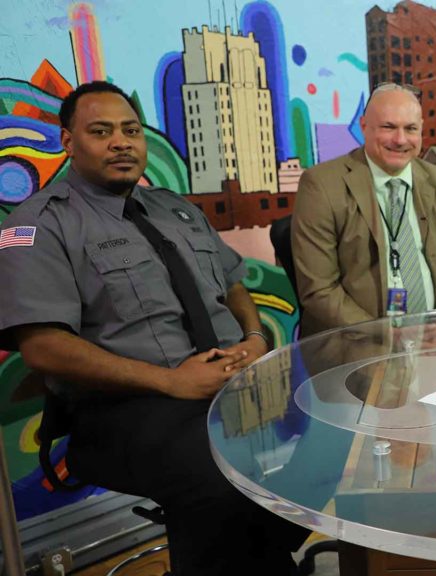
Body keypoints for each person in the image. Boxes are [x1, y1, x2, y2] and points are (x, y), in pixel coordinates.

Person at [0, 81, 308, 575]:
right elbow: (41, 348)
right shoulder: (41, 225)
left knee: (334, 422)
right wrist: (171, 381)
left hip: (227, 388)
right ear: (68, 141)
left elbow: (231, 286)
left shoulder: (178, 210)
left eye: (130, 130)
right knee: (217, 474)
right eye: (101, 132)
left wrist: (254, 338)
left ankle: (265, 554)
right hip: (126, 409)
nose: (121, 142)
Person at [291, 83, 436, 335]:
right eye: (388, 127)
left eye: (410, 129)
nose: (400, 140)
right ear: (364, 127)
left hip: (435, 343)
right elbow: (319, 290)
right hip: (356, 343)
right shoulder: (321, 185)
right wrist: (384, 335)